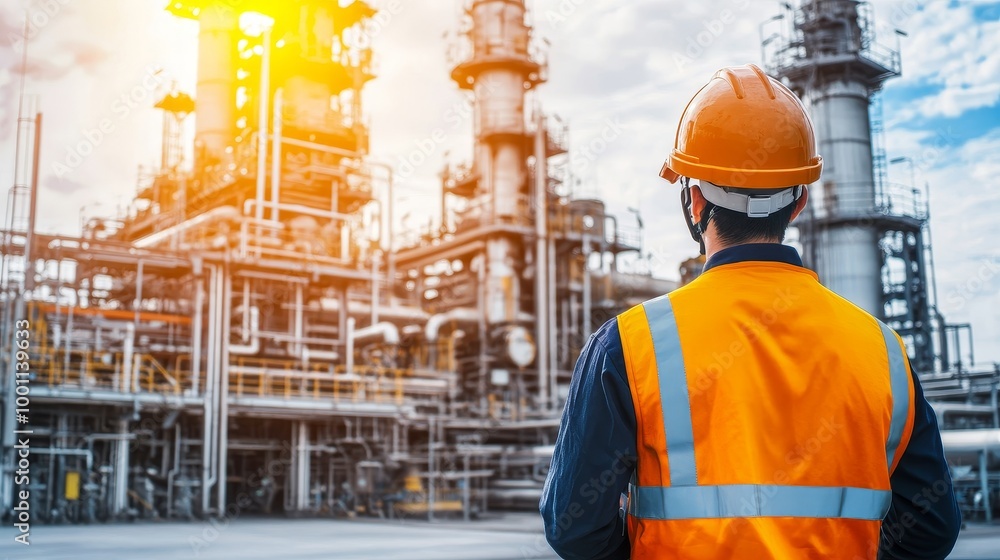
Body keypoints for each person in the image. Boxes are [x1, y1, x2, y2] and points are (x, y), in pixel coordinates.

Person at [539, 63, 961, 559]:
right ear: (799, 202)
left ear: (694, 203)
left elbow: (573, 526)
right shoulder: (883, 351)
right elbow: (931, 527)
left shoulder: (628, 344)